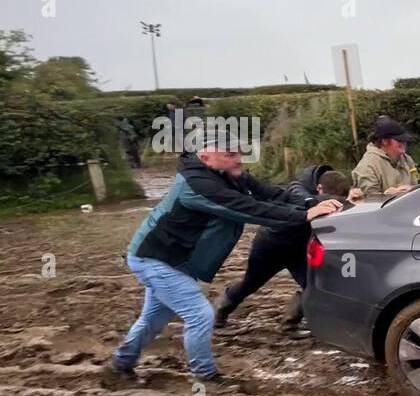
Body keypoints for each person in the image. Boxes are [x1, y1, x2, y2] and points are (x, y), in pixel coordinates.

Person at [109, 134, 341, 381]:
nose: (239, 159)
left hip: (172, 259)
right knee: (199, 315)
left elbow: (268, 192)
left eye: (239, 153)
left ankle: (120, 364)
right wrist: (304, 216)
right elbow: (247, 208)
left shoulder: (227, 172)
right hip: (156, 258)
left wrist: (310, 202)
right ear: (206, 157)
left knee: (154, 318)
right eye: (230, 155)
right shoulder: (198, 186)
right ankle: (205, 376)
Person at [214, 167, 353, 331]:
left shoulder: (317, 193)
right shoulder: (298, 190)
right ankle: (216, 314)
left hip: (297, 248)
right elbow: (300, 194)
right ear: (319, 188)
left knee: (312, 285)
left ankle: (290, 322)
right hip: (270, 246)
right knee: (250, 283)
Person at [352, 117, 419, 197]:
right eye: (399, 140)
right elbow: (370, 201)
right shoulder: (367, 166)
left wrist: (411, 189)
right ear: (384, 141)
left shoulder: (407, 159)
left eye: (405, 139)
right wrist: (389, 195)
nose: (404, 143)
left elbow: (418, 184)